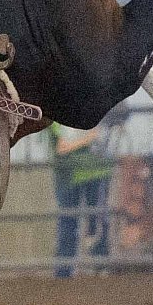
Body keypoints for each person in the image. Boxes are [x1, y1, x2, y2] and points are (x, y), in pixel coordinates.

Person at [51, 108, 124, 278]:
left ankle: (74, 270)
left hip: (89, 171)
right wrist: (89, 138)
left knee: (92, 222)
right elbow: (62, 147)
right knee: (79, 222)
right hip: (75, 172)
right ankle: (72, 270)